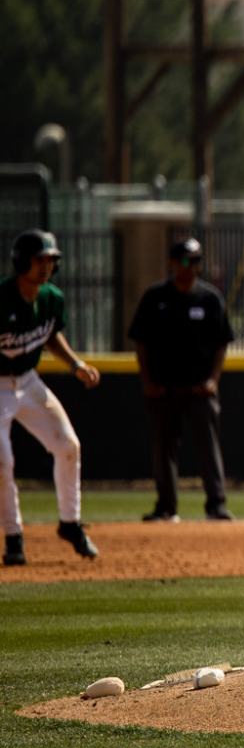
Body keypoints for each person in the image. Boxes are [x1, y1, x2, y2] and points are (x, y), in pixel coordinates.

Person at [2, 230, 101, 566]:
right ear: (21, 261)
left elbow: (49, 335)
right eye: (39, 259)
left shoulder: (52, 298)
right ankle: (13, 537)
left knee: (68, 445)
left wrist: (75, 364)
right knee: (3, 465)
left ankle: (70, 524)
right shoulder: (2, 299)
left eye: (50, 260)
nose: (46, 266)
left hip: (28, 382)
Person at [128, 237, 235, 522]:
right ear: (173, 263)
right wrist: (147, 381)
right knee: (163, 450)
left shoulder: (210, 298)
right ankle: (166, 507)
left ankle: (217, 504)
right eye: (187, 261)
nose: (192, 267)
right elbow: (141, 342)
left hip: (199, 388)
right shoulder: (156, 297)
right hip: (164, 387)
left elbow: (221, 343)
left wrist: (213, 380)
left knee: (208, 447)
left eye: (197, 261)